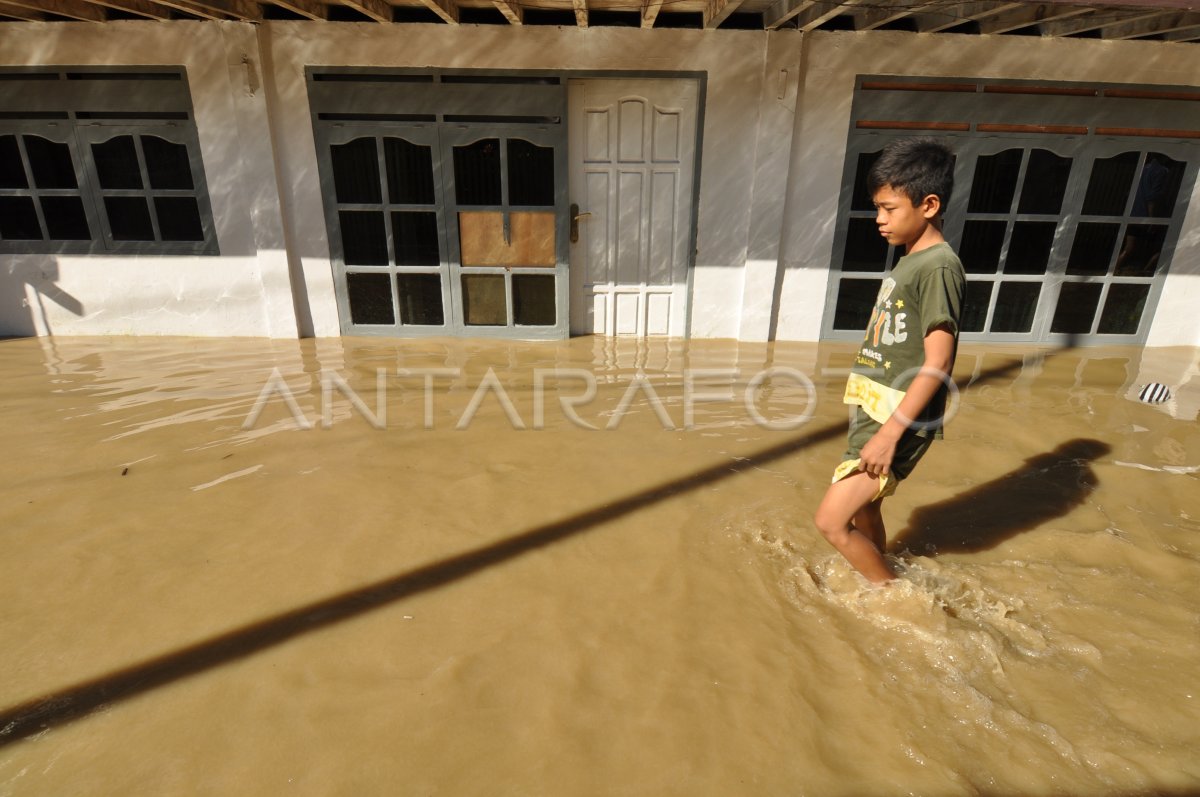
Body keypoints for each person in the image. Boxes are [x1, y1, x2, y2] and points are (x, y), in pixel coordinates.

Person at [813, 138, 966, 585]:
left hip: (896, 418)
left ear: (929, 204)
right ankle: (879, 568)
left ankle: (894, 598)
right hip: (877, 410)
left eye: (889, 208)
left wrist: (889, 434)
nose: (879, 220)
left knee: (830, 521)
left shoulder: (938, 267)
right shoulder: (911, 262)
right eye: (876, 208)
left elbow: (939, 362)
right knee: (864, 506)